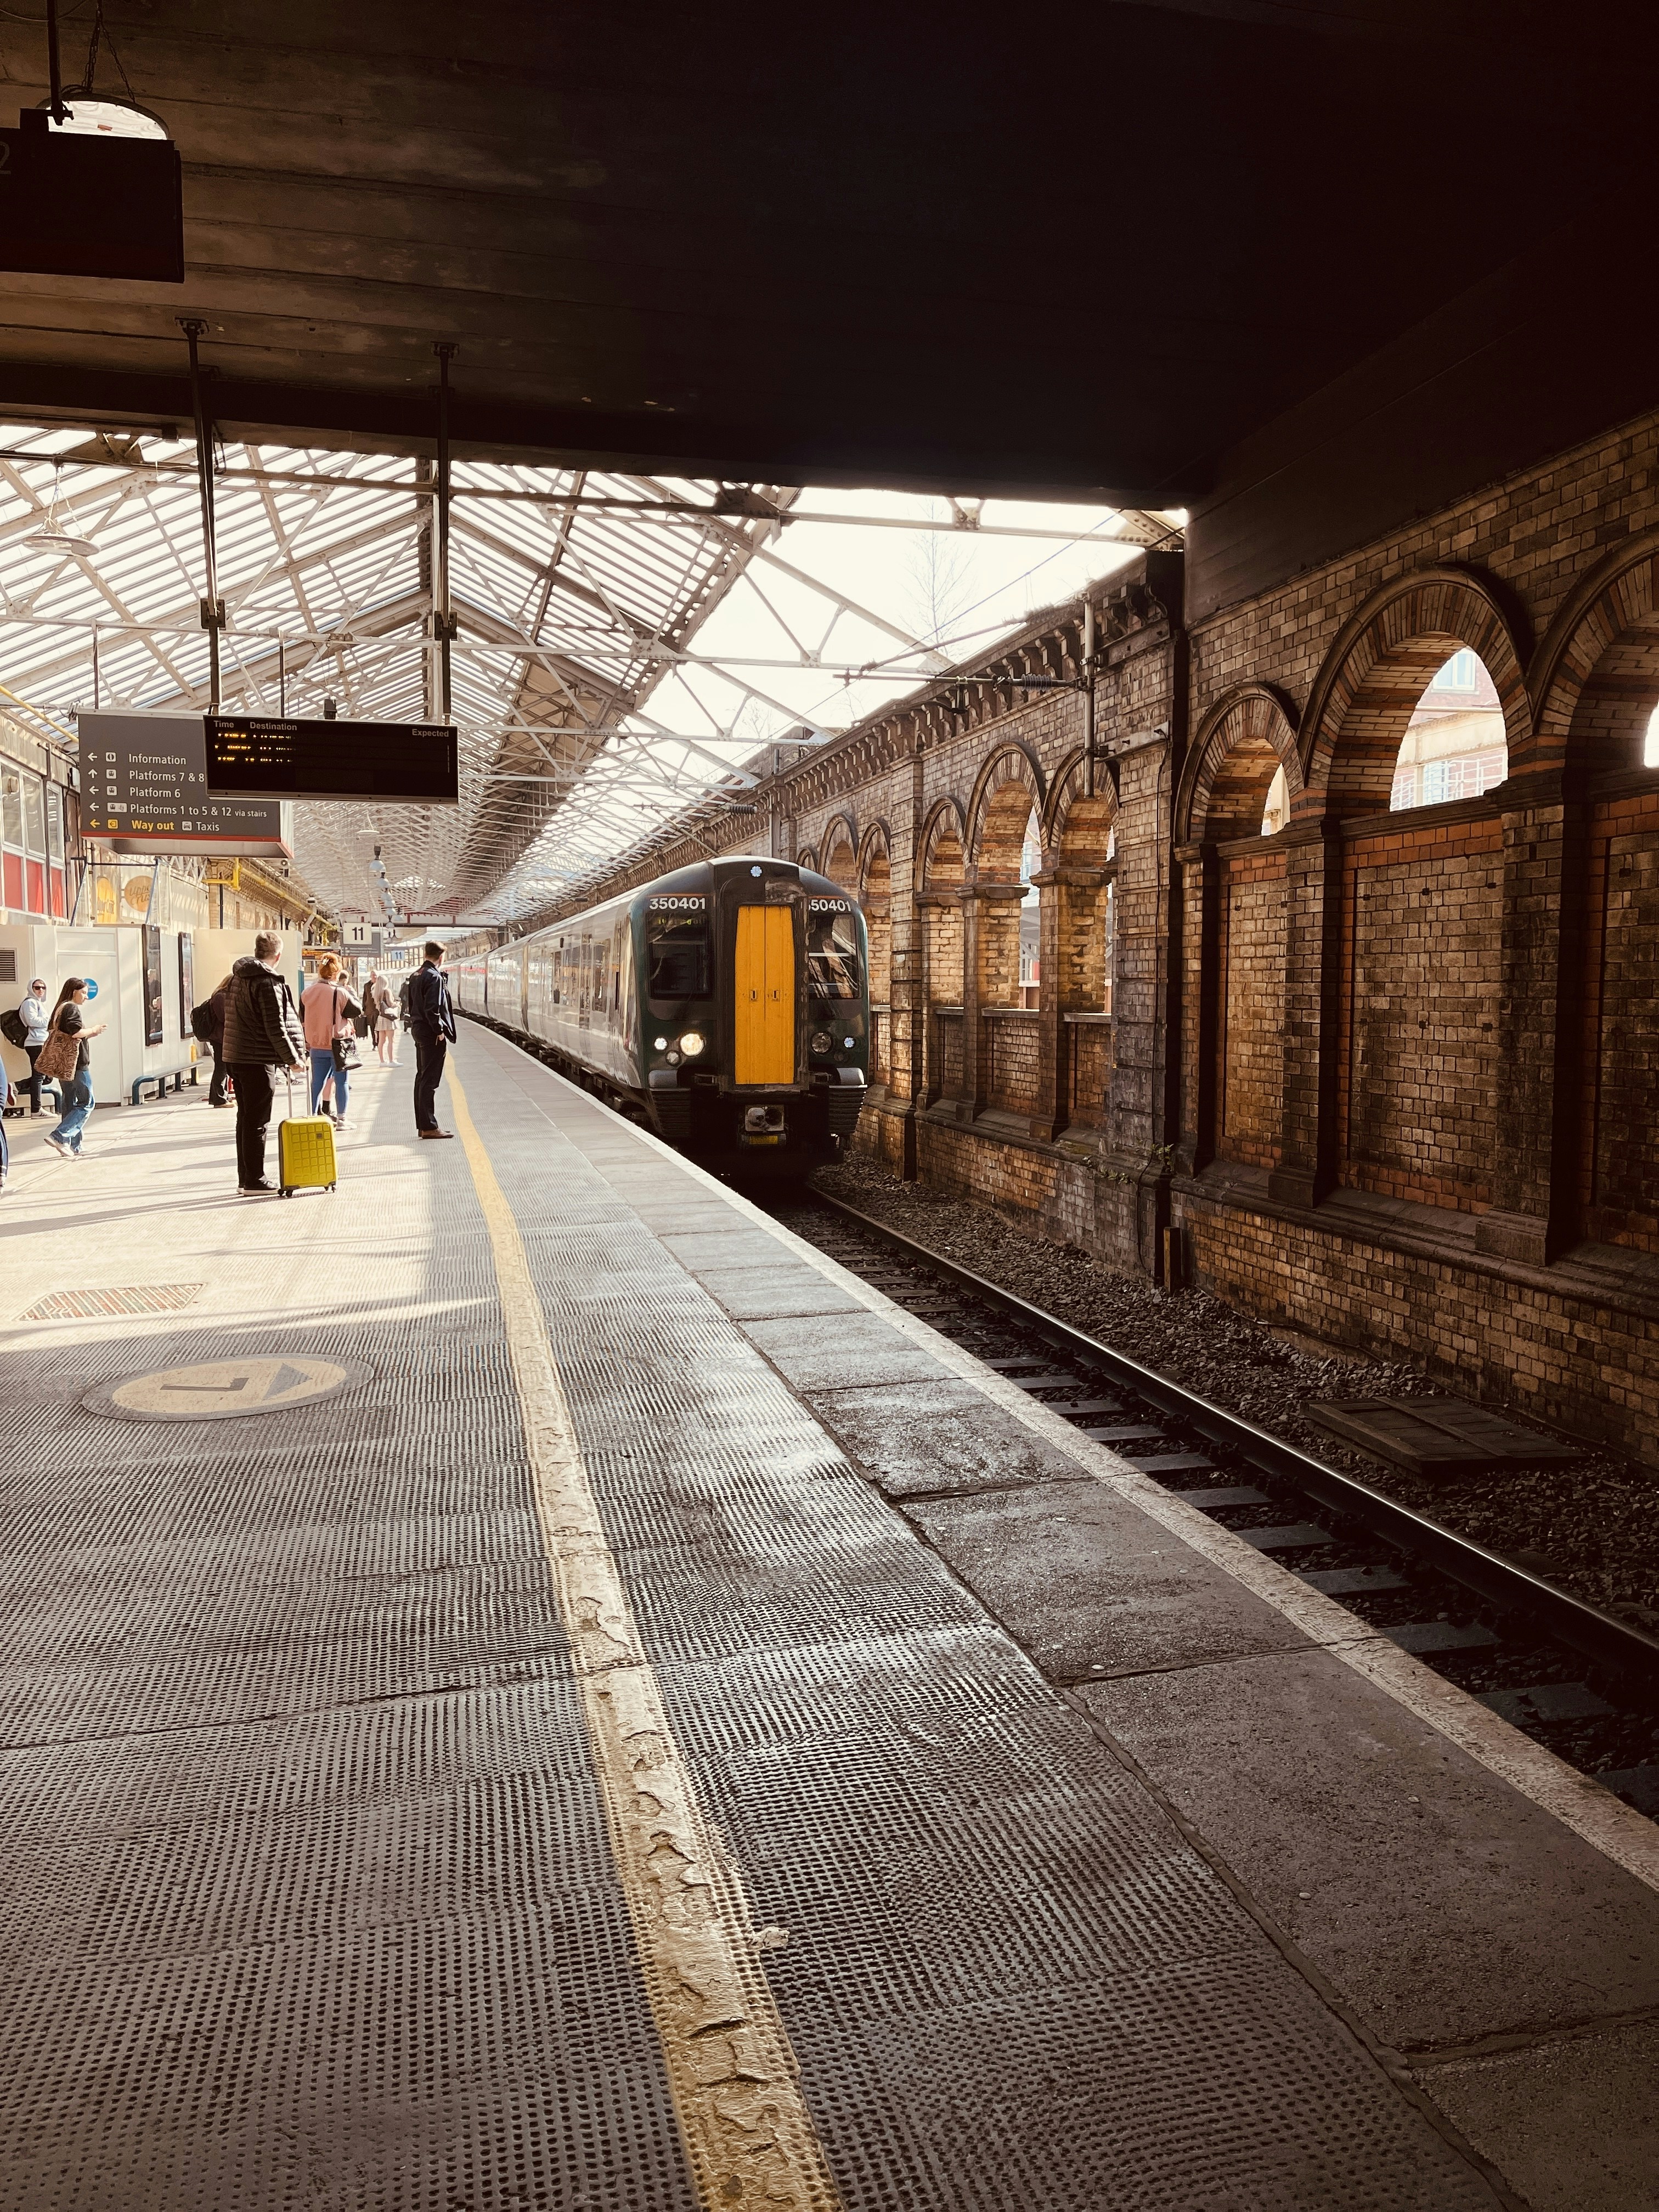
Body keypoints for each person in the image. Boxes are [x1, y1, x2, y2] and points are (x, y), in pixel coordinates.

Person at [223, 930, 306, 1195]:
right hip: (256, 1060)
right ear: (278, 955)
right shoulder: (267, 983)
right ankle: (255, 1180)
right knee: (257, 1121)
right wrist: (293, 1059)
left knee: (245, 1120)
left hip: (235, 1056)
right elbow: (276, 1026)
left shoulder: (238, 977)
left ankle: (245, 1177)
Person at [42, 979, 105, 1159]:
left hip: (64, 1064)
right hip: (76, 1065)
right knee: (87, 1102)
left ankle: (73, 1145)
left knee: (70, 1103)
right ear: (73, 991)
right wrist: (94, 1029)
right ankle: (60, 1136)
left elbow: (69, 1036)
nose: (86, 997)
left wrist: (90, 1034)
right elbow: (75, 1033)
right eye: (83, 993)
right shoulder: (71, 1008)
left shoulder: (60, 1009)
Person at [300, 956, 360, 1129]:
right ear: (335, 973)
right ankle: (342, 1120)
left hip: (316, 1045)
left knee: (317, 1082)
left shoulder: (307, 993)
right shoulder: (340, 992)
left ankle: (313, 1116)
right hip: (336, 1045)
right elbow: (356, 1010)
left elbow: (303, 1017)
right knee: (341, 1082)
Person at [408, 940, 456, 1139]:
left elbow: (411, 1005)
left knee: (422, 1078)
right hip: (431, 1034)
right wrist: (440, 1031)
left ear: (426, 954)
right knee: (430, 1080)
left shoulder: (416, 975)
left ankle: (423, 1125)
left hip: (418, 1030)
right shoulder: (434, 977)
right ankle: (429, 1126)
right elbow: (433, 1009)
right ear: (441, 956)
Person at [201, 972, 235, 1107]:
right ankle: (219, 1098)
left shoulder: (222, 996)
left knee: (223, 1068)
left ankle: (221, 1096)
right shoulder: (220, 997)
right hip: (220, 1038)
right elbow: (224, 1017)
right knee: (221, 1068)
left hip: (222, 1037)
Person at [18, 977, 49, 1114]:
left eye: (43, 987)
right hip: (35, 1043)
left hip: (41, 1042)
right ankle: (36, 1110)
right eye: (37, 987)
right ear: (31, 988)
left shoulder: (38, 1003)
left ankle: (15, 1086)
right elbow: (32, 1021)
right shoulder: (30, 1003)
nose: (41, 990)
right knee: (38, 1076)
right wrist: (49, 1021)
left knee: (47, 1076)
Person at [368, 968, 399, 1065]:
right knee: (391, 1040)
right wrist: (397, 1004)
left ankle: (382, 1061)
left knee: (381, 1041)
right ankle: (392, 1061)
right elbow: (390, 1004)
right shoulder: (387, 991)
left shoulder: (376, 992)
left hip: (381, 1018)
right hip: (388, 1019)